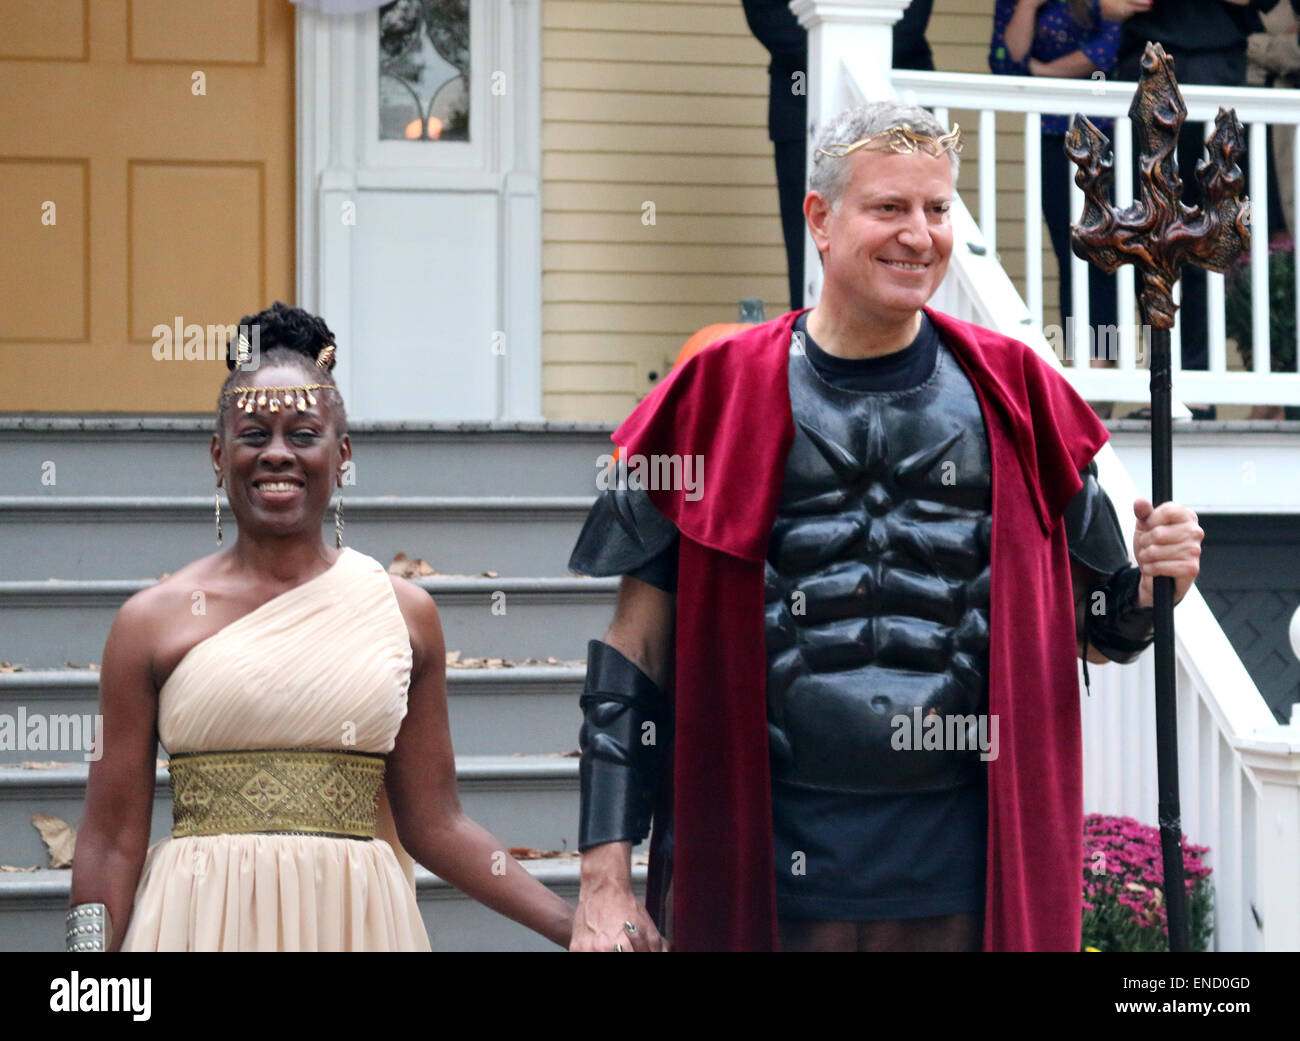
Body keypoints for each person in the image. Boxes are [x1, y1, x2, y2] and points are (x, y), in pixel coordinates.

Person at [565, 102, 1205, 952]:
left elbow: (1097, 632)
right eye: (890, 207)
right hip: (764, 857)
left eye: (937, 209)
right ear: (820, 219)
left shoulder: (1021, 396)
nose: (919, 235)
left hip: (964, 872)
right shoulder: (710, 395)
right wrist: (604, 880)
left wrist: (1154, 592)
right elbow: (634, 653)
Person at [66, 302, 574, 952]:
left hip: (356, 926)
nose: (278, 454)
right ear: (219, 455)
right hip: (198, 925)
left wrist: (573, 926)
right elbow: (110, 842)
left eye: (303, 435)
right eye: (254, 435)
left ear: (342, 455)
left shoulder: (404, 614)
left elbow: (437, 823)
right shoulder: (149, 622)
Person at [1115, 0, 1279, 385]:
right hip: (1147, 61)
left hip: (1217, 66)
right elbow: (1106, 7)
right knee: (1147, 232)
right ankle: (1160, 377)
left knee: (1208, 233)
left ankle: (1198, 380)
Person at [743, 0, 936, 310]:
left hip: (897, 94)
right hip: (800, 99)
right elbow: (766, 13)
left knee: (910, 234)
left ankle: (904, 338)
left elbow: (914, 13)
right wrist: (829, 51)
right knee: (811, 247)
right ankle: (818, 339)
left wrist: (859, 53)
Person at [989, 0, 1142, 354]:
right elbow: (1006, 61)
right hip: (1053, 135)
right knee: (1070, 249)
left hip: (1107, 133)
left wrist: (1041, 72)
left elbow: (1107, 51)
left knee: (1104, 248)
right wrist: (1028, 7)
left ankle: (1102, 359)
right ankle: (1084, 357)